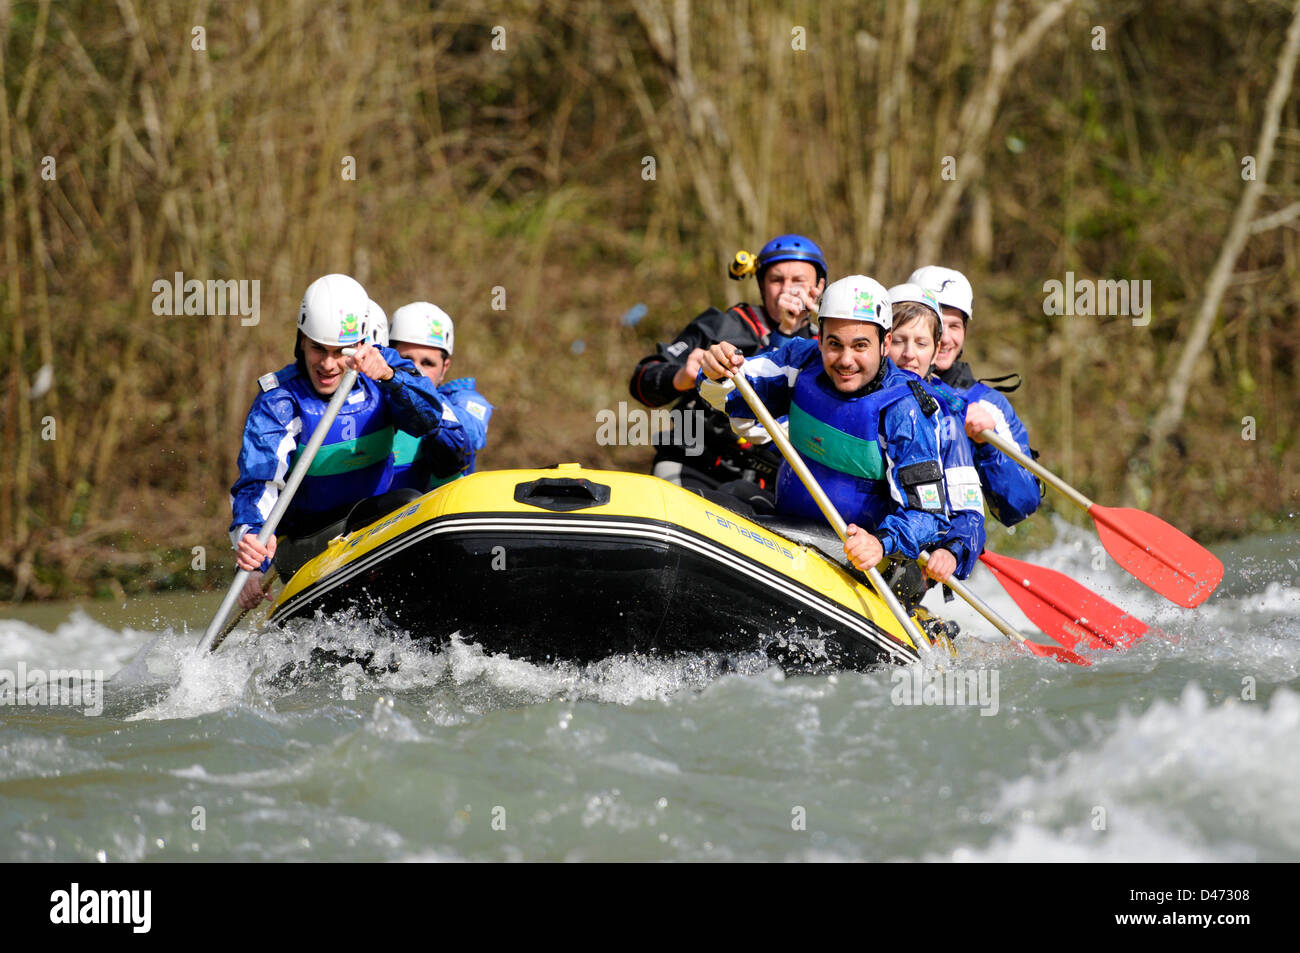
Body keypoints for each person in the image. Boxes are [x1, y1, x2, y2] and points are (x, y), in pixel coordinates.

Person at [696, 275, 952, 582]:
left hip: (856, 553)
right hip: (786, 520)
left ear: (884, 344)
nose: (846, 360)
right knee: (725, 495)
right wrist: (716, 371)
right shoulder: (802, 360)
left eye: (860, 346)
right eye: (834, 344)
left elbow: (929, 514)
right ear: (820, 339)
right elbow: (732, 391)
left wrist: (881, 543)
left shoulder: (906, 411)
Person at [230, 274, 451, 607]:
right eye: (318, 348)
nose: (329, 364)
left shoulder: (385, 372)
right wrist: (250, 553)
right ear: (301, 340)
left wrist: (392, 379)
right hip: (305, 543)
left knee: (411, 505)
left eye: (341, 351)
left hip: (374, 529)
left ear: (362, 344)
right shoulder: (280, 401)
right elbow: (259, 483)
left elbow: (430, 419)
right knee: (403, 504)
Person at [628, 234, 828, 507]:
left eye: (799, 281)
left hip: (772, 483)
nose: (787, 290)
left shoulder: (829, 351)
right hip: (697, 464)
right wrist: (681, 378)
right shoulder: (721, 326)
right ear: (761, 285)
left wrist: (788, 332)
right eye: (776, 280)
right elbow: (642, 380)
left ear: (819, 286)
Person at [908, 265, 1041, 526]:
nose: (945, 338)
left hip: (945, 546)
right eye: (936, 324)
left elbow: (1021, 504)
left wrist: (987, 446)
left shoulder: (988, 405)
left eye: (954, 326)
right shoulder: (877, 379)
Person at [886, 283, 986, 584]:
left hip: (903, 555)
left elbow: (969, 511)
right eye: (899, 342)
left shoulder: (947, 422)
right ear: (882, 342)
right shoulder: (852, 387)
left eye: (920, 343)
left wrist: (952, 551)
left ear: (935, 350)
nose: (908, 355)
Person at [386, 301, 493, 492]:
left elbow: (473, 434)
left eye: (427, 363)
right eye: (406, 360)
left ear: (445, 368)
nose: (415, 371)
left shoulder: (464, 398)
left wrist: (420, 401)